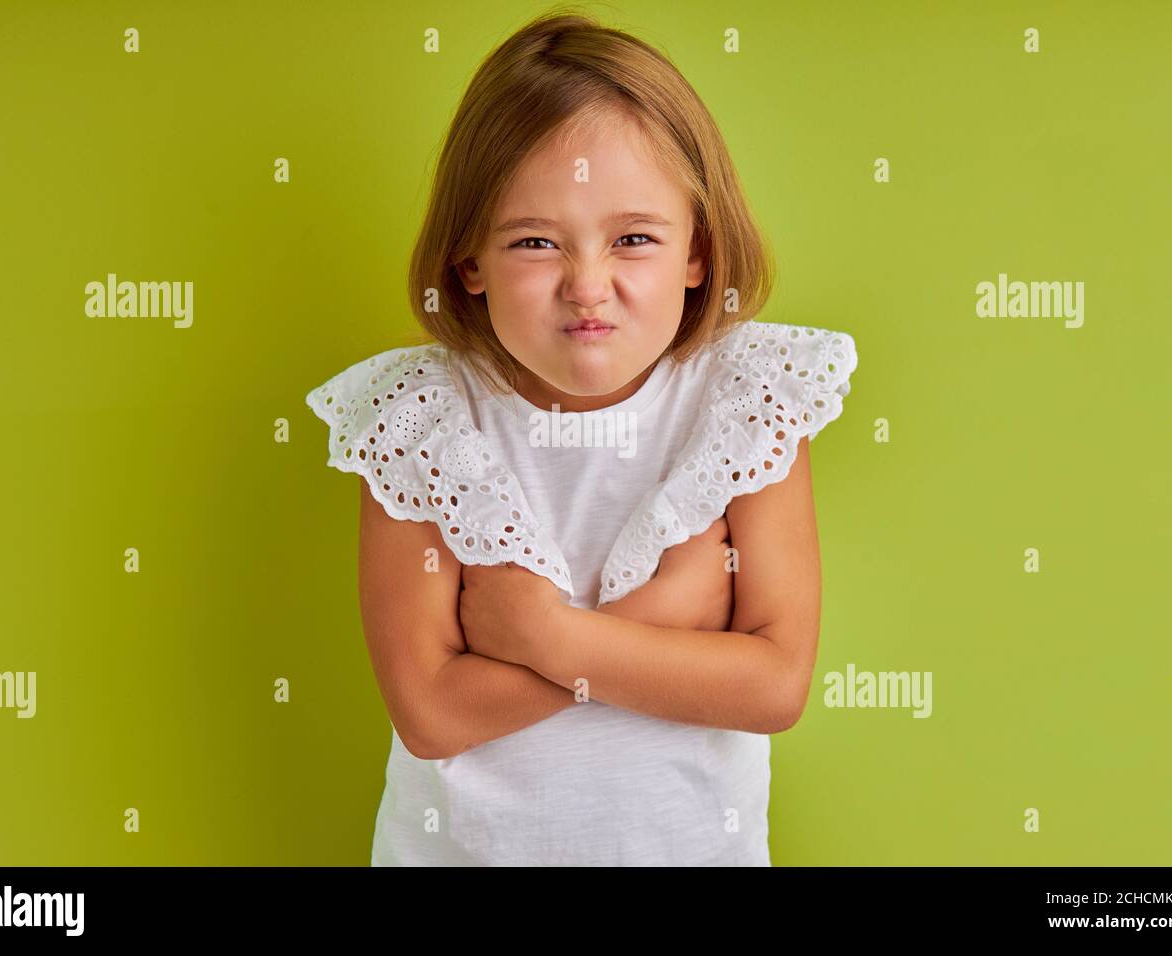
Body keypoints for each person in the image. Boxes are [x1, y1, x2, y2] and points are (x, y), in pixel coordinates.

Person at [305, 10, 858, 866]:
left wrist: (545, 636)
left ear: (697, 253)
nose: (587, 287)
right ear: (470, 263)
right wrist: (663, 619)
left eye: (633, 239)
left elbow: (774, 685)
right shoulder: (416, 419)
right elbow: (432, 715)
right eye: (535, 242)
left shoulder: (745, 401)